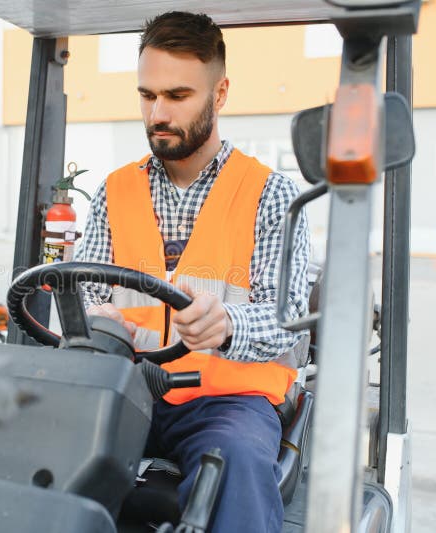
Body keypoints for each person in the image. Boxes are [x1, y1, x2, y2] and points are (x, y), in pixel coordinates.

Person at [73, 11, 310, 533]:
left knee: (235, 464)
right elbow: (87, 288)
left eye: (178, 96)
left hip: (227, 402)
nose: (157, 112)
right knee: (31, 435)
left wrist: (226, 325)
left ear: (219, 94)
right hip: (126, 388)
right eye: (147, 95)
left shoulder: (271, 194)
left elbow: (287, 316)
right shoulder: (113, 193)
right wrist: (97, 317)